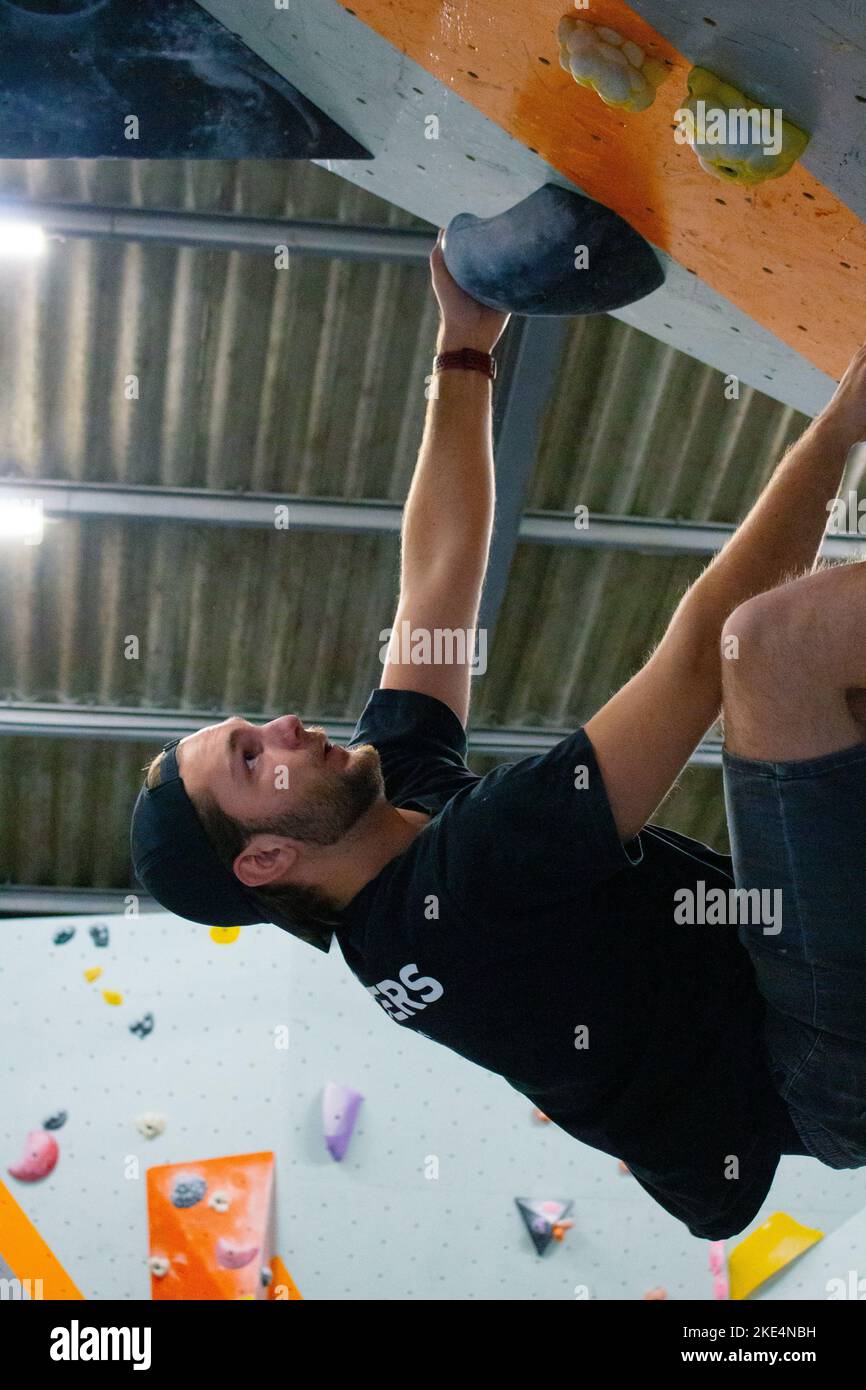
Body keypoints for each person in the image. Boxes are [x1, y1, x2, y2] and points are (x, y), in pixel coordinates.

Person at [131, 230, 866, 1238]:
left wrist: (464, 347)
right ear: (264, 856)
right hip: (818, 1054)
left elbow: (434, 580)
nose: (286, 727)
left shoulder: (387, 831)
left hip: (792, 1005)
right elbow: (698, 660)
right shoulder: (460, 889)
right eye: (252, 760)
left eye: (252, 727)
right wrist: (838, 426)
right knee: (770, 649)